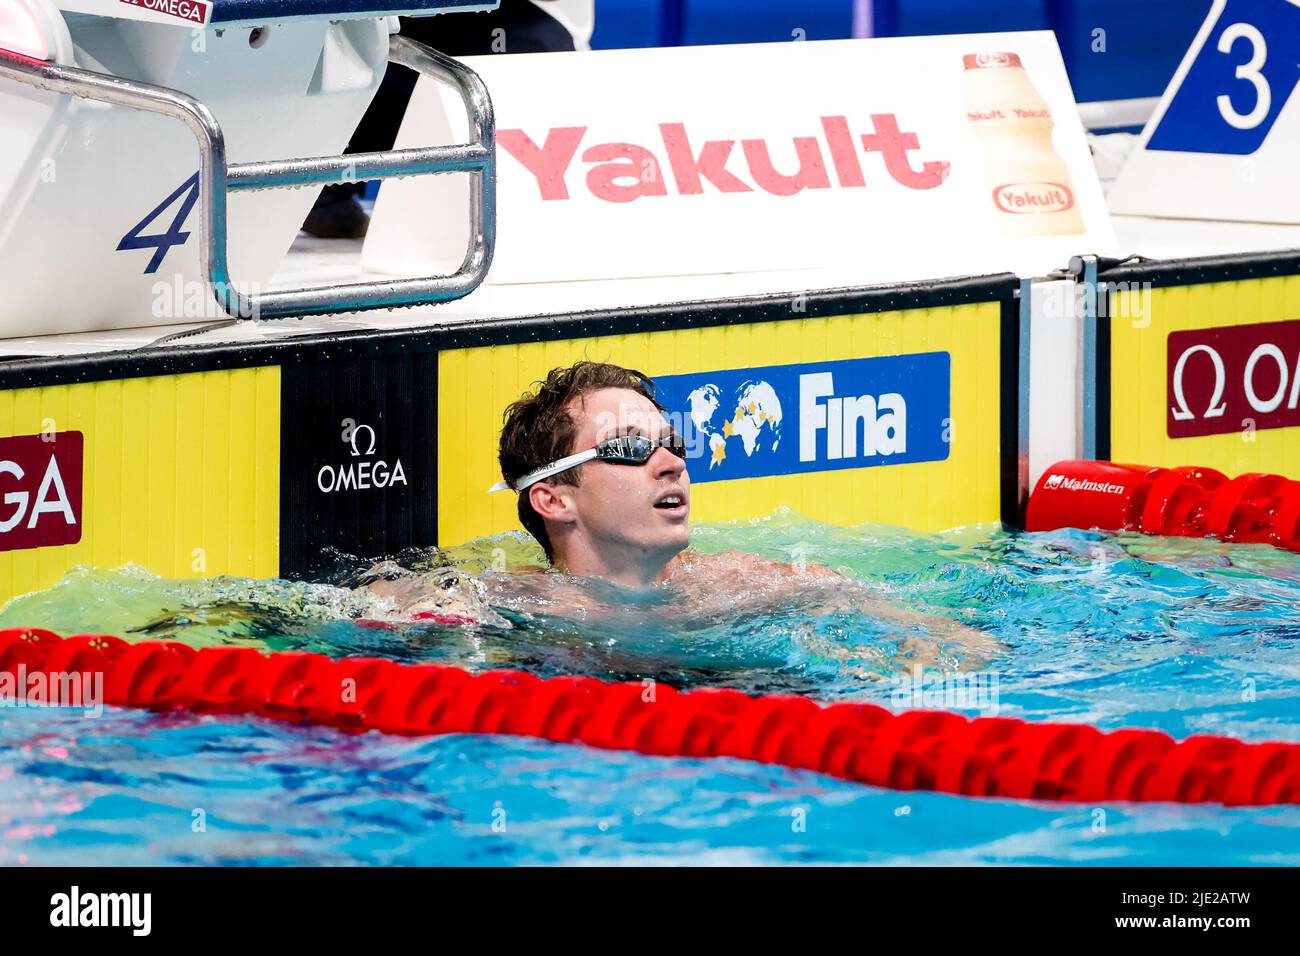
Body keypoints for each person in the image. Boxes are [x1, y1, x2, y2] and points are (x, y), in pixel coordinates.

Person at [361, 361, 999, 671]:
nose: (670, 464)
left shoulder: (742, 583)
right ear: (553, 499)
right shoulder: (504, 602)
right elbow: (357, 613)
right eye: (633, 448)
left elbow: (946, 637)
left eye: (673, 443)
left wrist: (921, 654)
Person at [304, 0, 595, 238]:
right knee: (353, 38)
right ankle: (324, 186)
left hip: (525, 25)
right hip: (395, 30)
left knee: (524, 210)